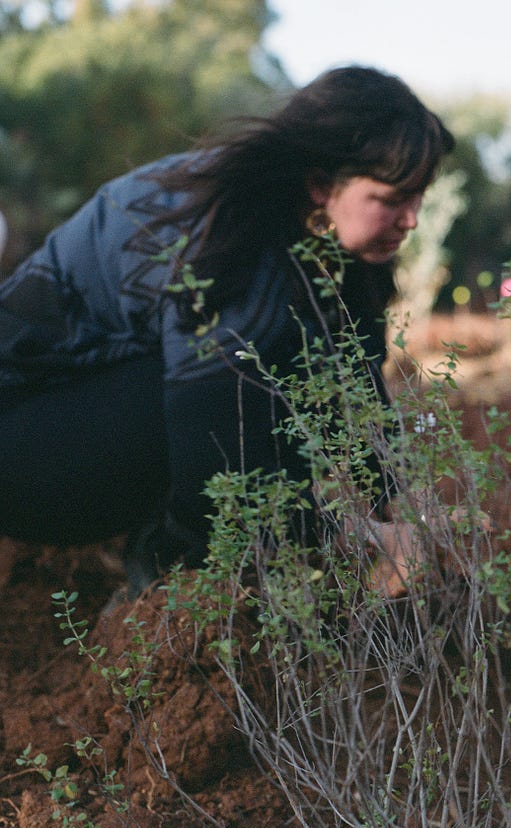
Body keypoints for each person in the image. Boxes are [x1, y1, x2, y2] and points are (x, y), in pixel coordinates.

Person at [0, 66, 454, 591]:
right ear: (320, 184)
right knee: (254, 384)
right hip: (21, 445)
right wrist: (358, 534)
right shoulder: (224, 234)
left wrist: (403, 508)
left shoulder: (327, 239)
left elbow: (356, 388)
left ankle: (177, 549)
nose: (413, 219)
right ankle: (169, 584)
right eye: (393, 199)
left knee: (294, 370)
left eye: (419, 197)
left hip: (93, 413)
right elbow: (218, 454)